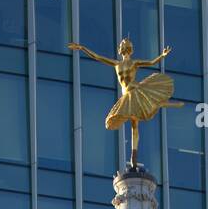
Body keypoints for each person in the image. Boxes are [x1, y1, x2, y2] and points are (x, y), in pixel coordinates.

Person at [68, 38, 182, 166]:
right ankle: (166, 105)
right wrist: (82, 48)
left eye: (124, 45)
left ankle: (134, 154)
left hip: (134, 91)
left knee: (135, 123)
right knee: (133, 122)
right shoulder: (116, 64)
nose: (123, 47)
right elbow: (97, 57)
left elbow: (151, 62)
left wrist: (162, 55)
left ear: (127, 49)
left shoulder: (134, 63)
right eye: (123, 45)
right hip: (126, 95)